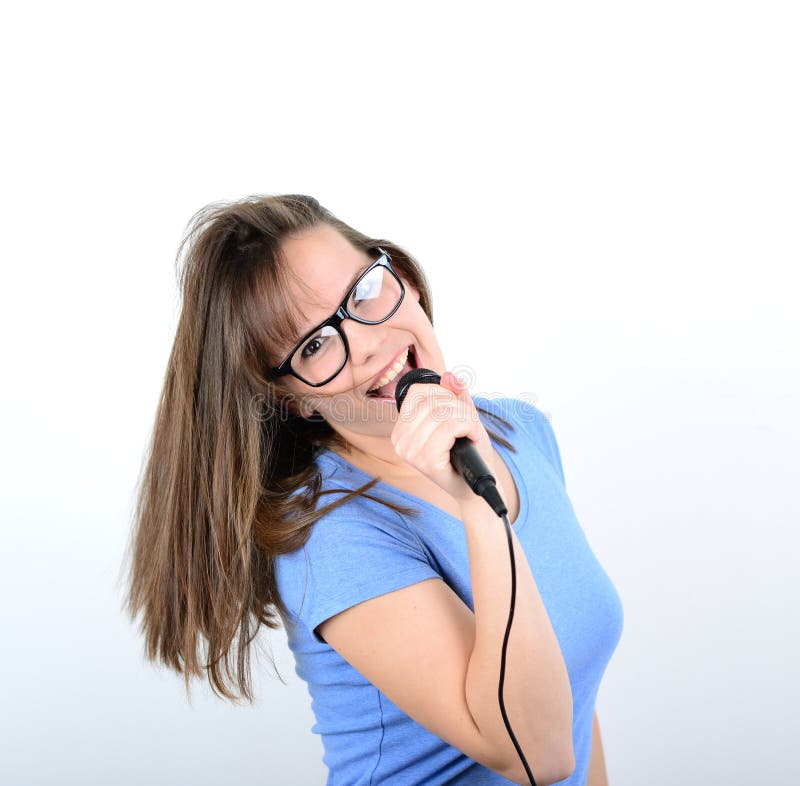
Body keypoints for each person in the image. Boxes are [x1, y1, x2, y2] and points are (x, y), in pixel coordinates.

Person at [123, 194, 624, 786]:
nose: (365, 341)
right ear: (294, 399)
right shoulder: (327, 533)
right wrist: (478, 506)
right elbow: (536, 755)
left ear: (403, 278)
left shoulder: (518, 430)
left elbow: (574, 702)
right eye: (313, 346)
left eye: (362, 293)